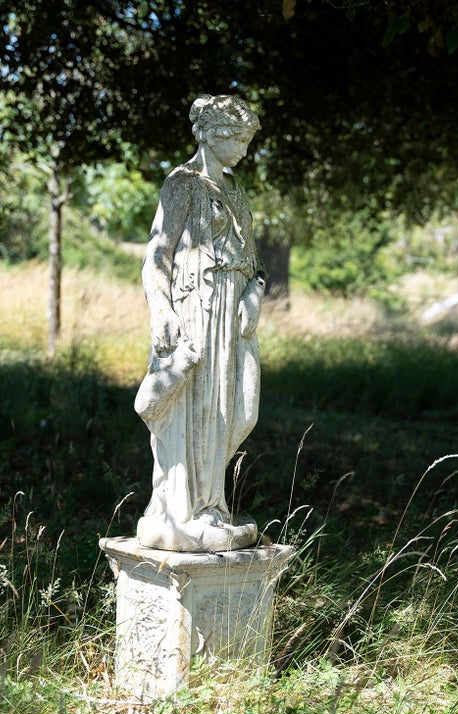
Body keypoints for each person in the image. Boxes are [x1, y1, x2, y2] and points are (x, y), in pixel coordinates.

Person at [135, 94, 264, 552]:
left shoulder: (235, 190)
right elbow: (156, 255)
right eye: (239, 140)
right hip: (195, 310)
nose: (245, 151)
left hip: (232, 315)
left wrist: (255, 292)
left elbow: (254, 261)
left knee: (236, 410)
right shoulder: (183, 183)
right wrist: (163, 310)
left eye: (248, 141)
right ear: (211, 133)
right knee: (193, 407)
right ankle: (181, 508)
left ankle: (213, 505)